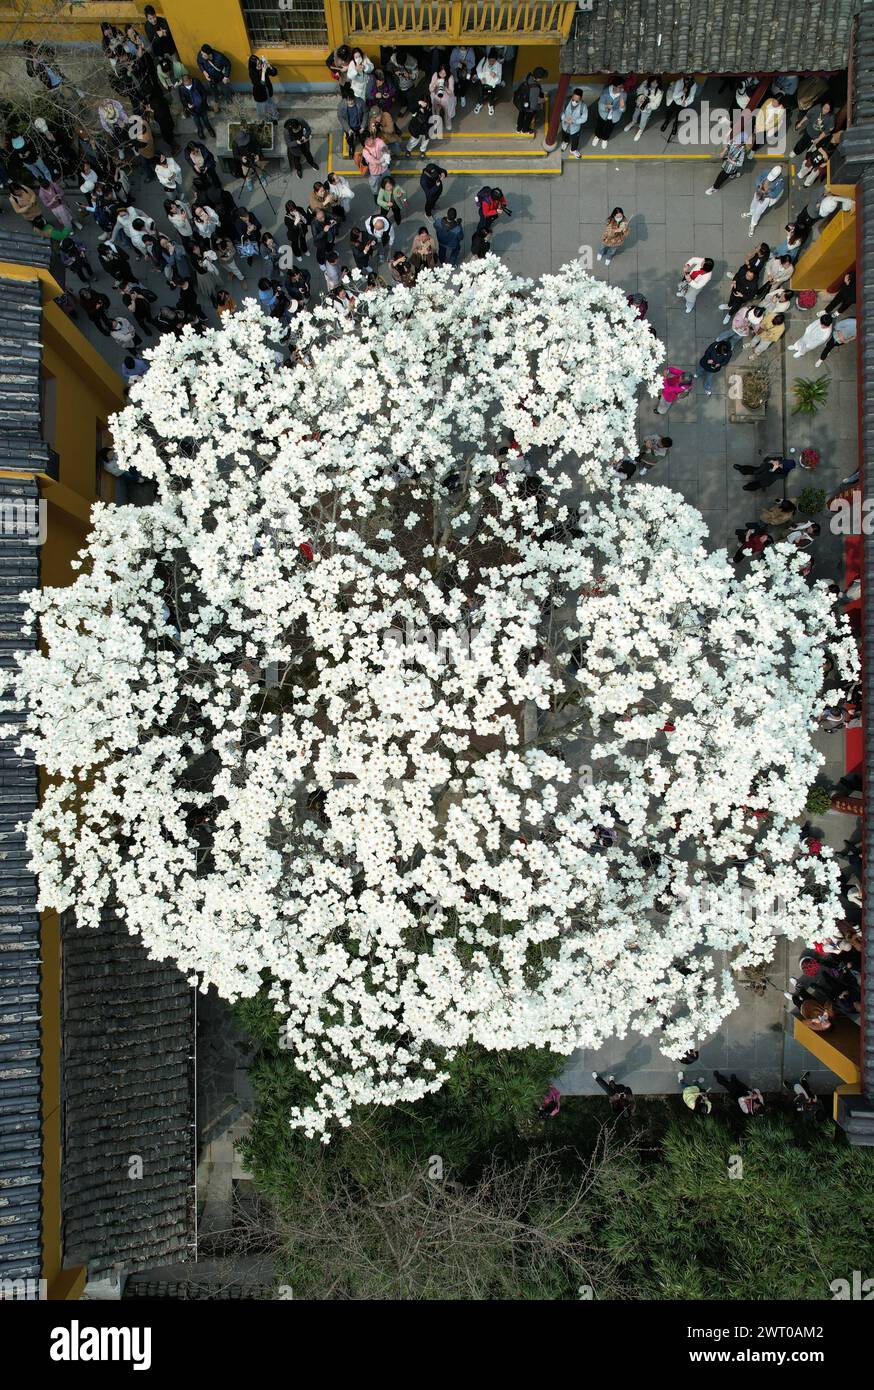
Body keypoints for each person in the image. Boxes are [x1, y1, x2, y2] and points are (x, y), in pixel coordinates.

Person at [743, 165, 785, 235]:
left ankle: (752, 225)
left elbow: (775, 194)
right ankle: (751, 213)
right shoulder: (766, 171)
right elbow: (758, 178)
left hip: (766, 198)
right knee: (754, 203)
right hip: (759, 191)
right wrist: (759, 185)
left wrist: (767, 192)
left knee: (758, 212)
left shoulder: (780, 181)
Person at [591, 76, 626, 148]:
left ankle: (605, 139)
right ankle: (597, 136)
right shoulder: (606, 92)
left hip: (614, 116)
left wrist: (622, 106)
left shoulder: (624, 94)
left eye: (622, 87)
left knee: (609, 128)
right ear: (614, 86)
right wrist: (606, 107)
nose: (621, 89)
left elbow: (623, 110)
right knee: (599, 126)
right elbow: (600, 104)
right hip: (603, 114)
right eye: (619, 87)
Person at [661, 75, 698, 142]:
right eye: (687, 78)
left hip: (683, 102)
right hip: (675, 100)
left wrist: (686, 103)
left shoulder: (693, 85)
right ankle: (667, 121)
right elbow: (675, 96)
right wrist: (683, 92)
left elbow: (692, 97)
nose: (689, 81)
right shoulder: (679, 82)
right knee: (670, 111)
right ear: (684, 77)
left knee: (680, 114)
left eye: (691, 79)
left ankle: (675, 124)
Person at [178, 74, 216, 139]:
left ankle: (209, 129)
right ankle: (200, 131)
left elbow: (203, 92)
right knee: (197, 121)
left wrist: (203, 101)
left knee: (205, 119)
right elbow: (182, 99)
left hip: (202, 106)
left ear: (190, 80)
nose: (186, 84)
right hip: (193, 109)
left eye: (188, 82)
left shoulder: (196, 82)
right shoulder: (181, 88)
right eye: (185, 83)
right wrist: (187, 105)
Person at [625, 76, 662, 141]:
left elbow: (656, 105)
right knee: (636, 113)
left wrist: (647, 105)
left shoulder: (659, 92)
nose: (654, 84)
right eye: (653, 82)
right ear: (650, 81)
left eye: (656, 83)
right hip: (639, 103)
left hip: (648, 108)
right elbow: (639, 90)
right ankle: (633, 122)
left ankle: (640, 130)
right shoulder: (645, 83)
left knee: (643, 119)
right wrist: (640, 97)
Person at [197, 44, 232, 110]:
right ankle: (217, 100)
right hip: (210, 77)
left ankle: (229, 100)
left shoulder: (219, 57)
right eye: (201, 54)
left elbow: (228, 64)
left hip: (220, 76)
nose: (202, 56)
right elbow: (199, 63)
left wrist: (226, 76)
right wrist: (204, 72)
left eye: (204, 55)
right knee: (213, 89)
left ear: (209, 54)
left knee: (225, 88)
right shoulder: (201, 54)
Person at [513, 67, 546, 134]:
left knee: (521, 113)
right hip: (528, 106)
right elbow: (533, 106)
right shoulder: (535, 88)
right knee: (528, 117)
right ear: (538, 78)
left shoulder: (527, 76)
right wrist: (541, 103)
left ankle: (519, 128)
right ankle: (525, 129)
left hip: (521, 101)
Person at [248, 54, 278, 122]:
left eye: (260, 62)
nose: (260, 65)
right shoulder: (252, 72)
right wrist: (263, 72)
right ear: (253, 65)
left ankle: (274, 116)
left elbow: (274, 73)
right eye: (258, 64)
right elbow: (261, 84)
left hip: (267, 89)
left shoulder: (263, 66)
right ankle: (264, 120)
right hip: (259, 93)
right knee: (261, 108)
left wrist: (268, 64)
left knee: (270, 103)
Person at [559, 88, 588, 156]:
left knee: (575, 140)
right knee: (565, 135)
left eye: (577, 101)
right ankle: (565, 142)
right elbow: (560, 110)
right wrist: (564, 118)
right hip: (565, 125)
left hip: (575, 128)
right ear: (572, 96)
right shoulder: (566, 101)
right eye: (573, 99)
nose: (574, 102)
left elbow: (584, 118)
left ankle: (573, 150)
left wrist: (574, 121)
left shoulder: (583, 106)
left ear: (580, 99)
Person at [473, 48, 503, 116]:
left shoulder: (499, 65)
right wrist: (481, 77)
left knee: (490, 95)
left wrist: (495, 77)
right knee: (480, 94)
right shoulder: (484, 59)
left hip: (491, 85)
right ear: (488, 58)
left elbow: (499, 80)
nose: (491, 62)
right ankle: (479, 103)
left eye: (493, 61)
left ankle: (490, 105)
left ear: (496, 60)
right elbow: (478, 68)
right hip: (483, 83)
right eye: (490, 60)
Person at [430, 64, 457, 133]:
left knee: (447, 112)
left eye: (444, 73)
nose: (442, 75)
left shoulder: (450, 77)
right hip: (436, 96)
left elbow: (451, 92)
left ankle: (447, 121)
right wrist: (436, 84)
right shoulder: (435, 75)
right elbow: (430, 89)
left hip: (446, 98)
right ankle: (437, 123)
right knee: (436, 111)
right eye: (440, 73)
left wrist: (445, 87)